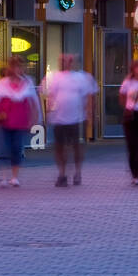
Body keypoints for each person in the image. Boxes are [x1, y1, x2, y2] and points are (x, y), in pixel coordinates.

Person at [0, 55, 41, 187]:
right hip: (4, 120)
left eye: (19, 66)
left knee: (17, 148)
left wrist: (35, 119)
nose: (17, 69)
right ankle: (4, 177)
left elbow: (34, 102)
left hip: (20, 121)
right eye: (14, 66)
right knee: (4, 148)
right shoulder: (2, 83)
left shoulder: (28, 83)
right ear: (10, 67)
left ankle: (15, 177)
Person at [43, 54, 97, 187]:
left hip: (76, 118)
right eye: (62, 61)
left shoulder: (81, 77)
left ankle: (77, 173)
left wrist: (89, 113)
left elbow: (90, 95)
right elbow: (50, 96)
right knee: (59, 147)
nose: (65, 63)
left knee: (77, 147)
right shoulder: (54, 78)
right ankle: (62, 174)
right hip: (59, 119)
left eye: (68, 61)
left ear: (73, 63)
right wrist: (48, 113)